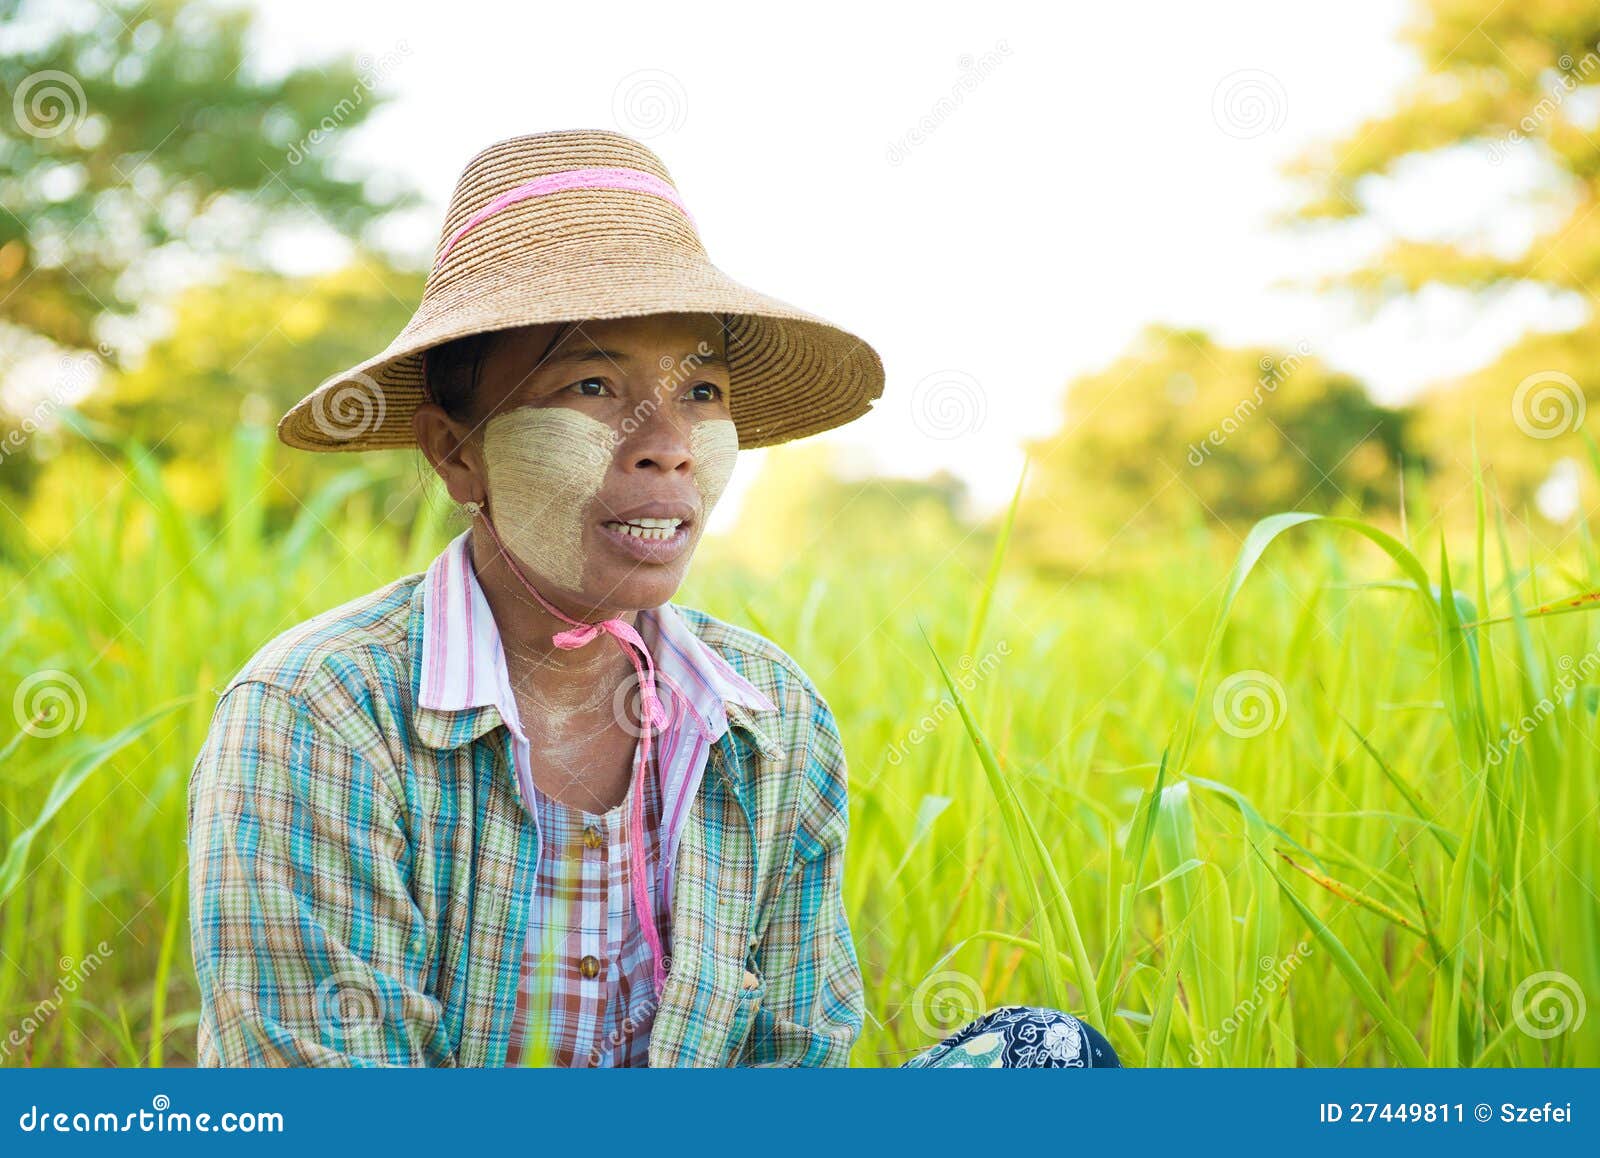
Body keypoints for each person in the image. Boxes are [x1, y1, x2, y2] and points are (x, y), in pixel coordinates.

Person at [186, 128, 1120, 1069]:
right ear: (456, 453)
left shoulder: (767, 715)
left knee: (1046, 1056)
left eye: (703, 391)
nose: (667, 443)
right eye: (593, 384)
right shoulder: (320, 713)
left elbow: (795, 1059)